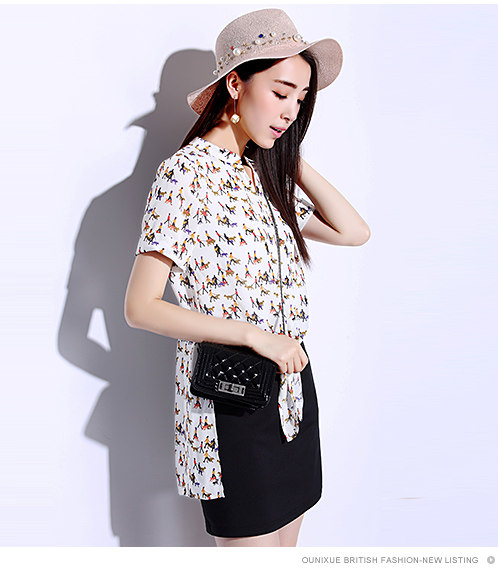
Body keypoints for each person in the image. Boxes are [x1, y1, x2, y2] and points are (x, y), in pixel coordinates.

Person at [123, 8, 370, 547]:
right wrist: (254, 336)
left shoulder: (262, 175)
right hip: (230, 396)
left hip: (292, 391)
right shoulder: (185, 174)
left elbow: (353, 232)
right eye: (280, 92)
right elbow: (140, 307)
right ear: (235, 84)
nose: (290, 110)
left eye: (300, 99)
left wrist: (287, 154)